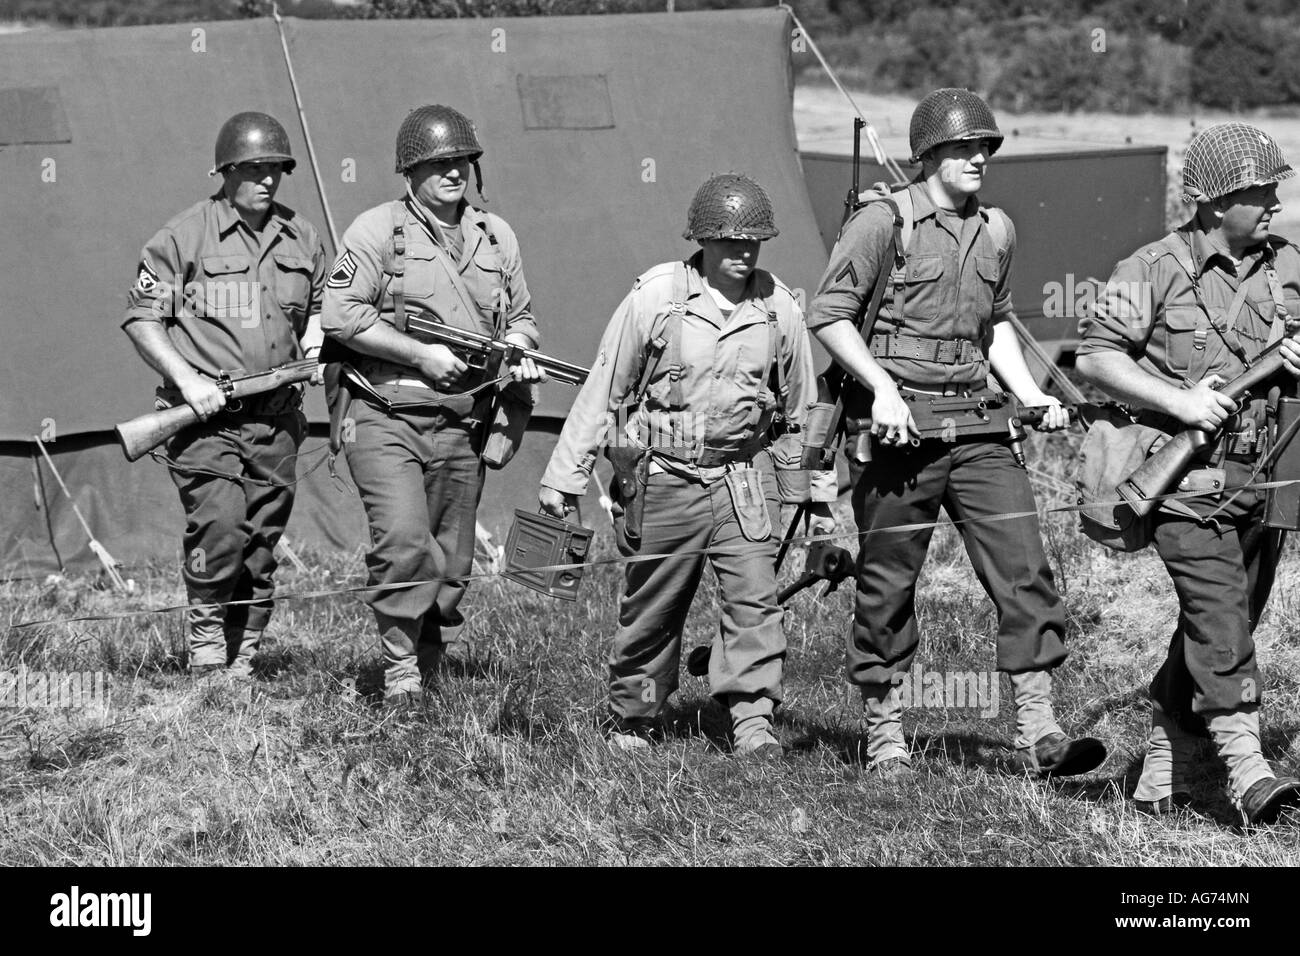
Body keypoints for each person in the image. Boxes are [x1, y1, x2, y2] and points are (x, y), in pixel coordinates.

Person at [805, 88, 1106, 777]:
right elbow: (828, 315)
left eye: (986, 147)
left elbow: (994, 322)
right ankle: (885, 737)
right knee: (887, 583)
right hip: (900, 430)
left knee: (1025, 568)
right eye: (965, 147)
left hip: (978, 423)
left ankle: (1039, 733)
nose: (979, 158)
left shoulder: (996, 229)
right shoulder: (885, 224)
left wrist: (1030, 394)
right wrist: (880, 389)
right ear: (928, 154)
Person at [539, 173, 837, 757]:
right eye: (728, 243)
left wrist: (819, 500)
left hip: (742, 480)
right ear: (702, 241)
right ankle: (636, 715)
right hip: (664, 478)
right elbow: (605, 387)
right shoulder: (656, 297)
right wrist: (563, 478)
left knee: (755, 601)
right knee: (654, 607)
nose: (742, 253)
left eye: (752, 242)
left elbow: (805, 415)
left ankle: (752, 722)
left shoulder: (781, 309)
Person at [1077, 122, 1300, 828]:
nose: (1274, 202)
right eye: (1257, 191)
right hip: (1185, 489)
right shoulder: (1152, 268)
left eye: (1274, 188)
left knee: (1222, 621)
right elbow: (1095, 356)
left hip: (1267, 482)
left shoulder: (1290, 264)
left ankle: (1159, 774)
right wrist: (1179, 400)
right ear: (1209, 200)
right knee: (1221, 617)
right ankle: (1247, 769)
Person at [320, 105, 545, 705]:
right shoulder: (375, 230)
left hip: (464, 418)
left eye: (462, 162)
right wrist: (419, 355)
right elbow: (341, 316)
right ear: (410, 169)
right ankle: (399, 672)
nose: (454, 173)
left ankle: (429, 657)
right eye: (439, 163)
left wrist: (518, 348)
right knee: (402, 540)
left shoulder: (497, 236)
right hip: (386, 413)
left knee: (452, 557)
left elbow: (521, 316)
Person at [122, 111, 327, 682]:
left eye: (277, 170)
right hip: (204, 423)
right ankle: (208, 650)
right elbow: (143, 319)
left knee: (261, 543)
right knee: (220, 529)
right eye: (255, 169)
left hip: (278, 421)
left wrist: (314, 341)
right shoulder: (182, 236)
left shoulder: (302, 236)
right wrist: (188, 382)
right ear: (227, 171)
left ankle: (245, 657)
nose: (268, 180)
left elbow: (318, 309)